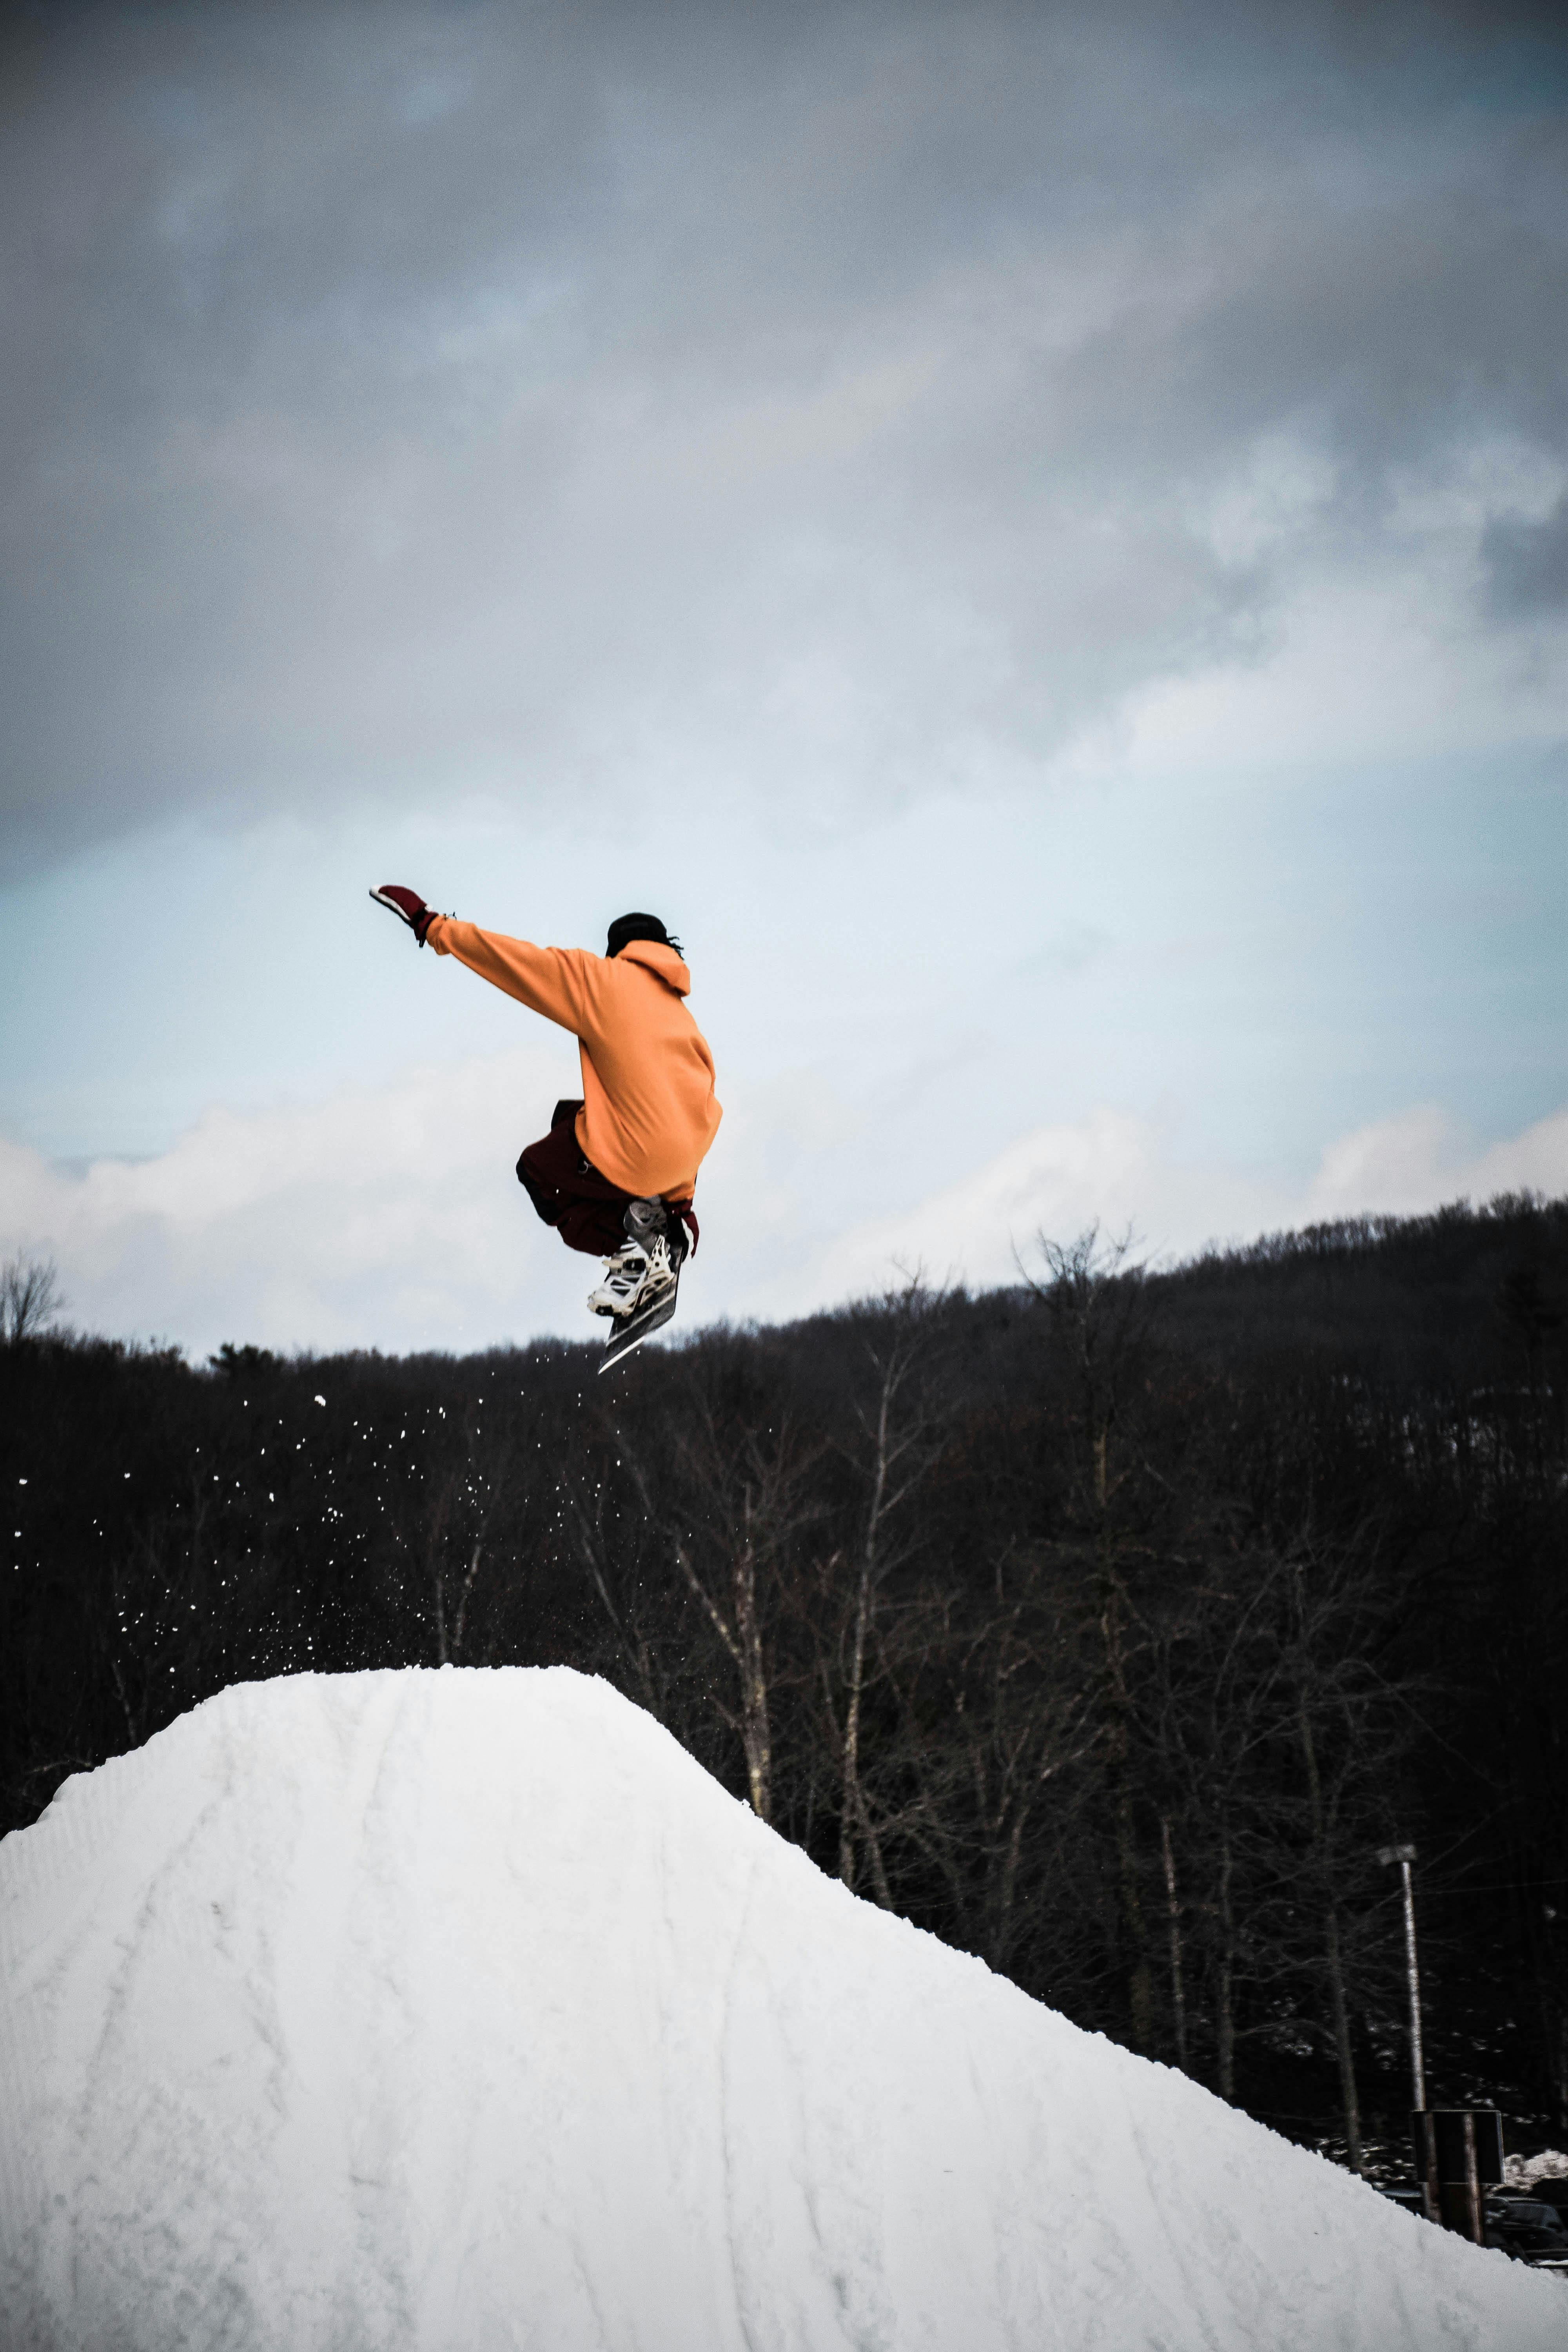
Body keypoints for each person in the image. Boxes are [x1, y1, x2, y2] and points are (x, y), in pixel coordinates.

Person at [370, 888, 721, 1319]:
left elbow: (514, 960)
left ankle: (641, 1248)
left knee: (538, 1170)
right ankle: (653, 1232)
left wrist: (435, 927)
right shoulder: (682, 1017)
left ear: (618, 952)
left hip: (640, 1156)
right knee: (568, 1120)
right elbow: (687, 1112)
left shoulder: (600, 979)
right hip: (685, 1163)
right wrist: (681, 1201)